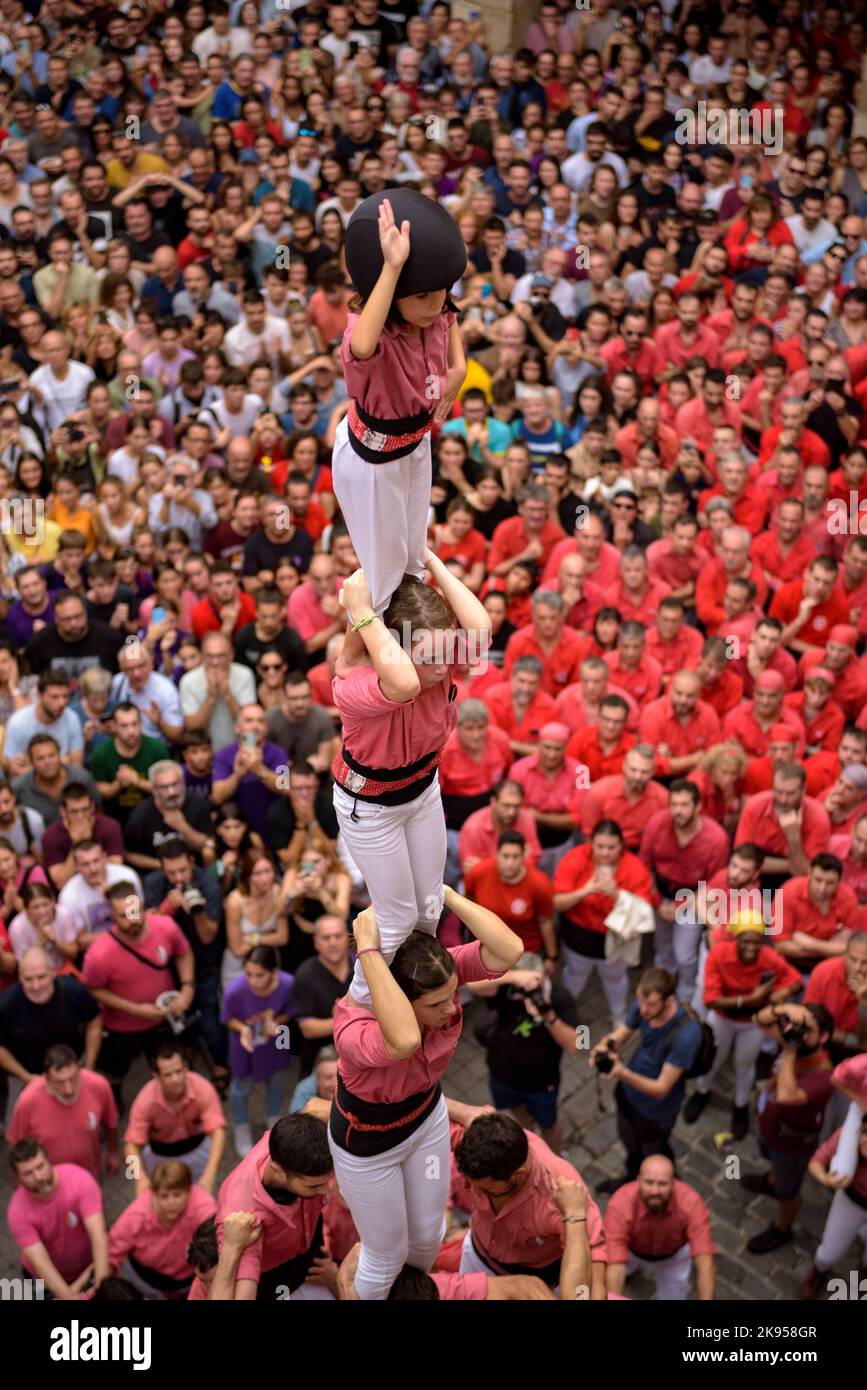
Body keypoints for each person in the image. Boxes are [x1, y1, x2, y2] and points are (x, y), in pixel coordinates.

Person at [329, 889, 521, 1301]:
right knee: (385, 1254)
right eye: (436, 1004)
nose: (451, 1010)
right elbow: (403, 1042)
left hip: (425, 1116)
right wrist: (367, 950)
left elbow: (509, 950)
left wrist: (444, 893)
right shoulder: (353, 1025)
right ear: (400, 999)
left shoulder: (435, 979)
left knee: (430, 1234)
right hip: (369, 1143)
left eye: (452, 994)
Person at [333, 557, 489, 1004]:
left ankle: (415, 994)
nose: (444, 666)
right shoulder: (356, 682)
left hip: (422, 792)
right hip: (373, 810)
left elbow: (480, 627)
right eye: (430, 656)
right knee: (397, 919)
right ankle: (361, 1003)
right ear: (395, 648)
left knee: (429, 911)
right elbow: (402, 683)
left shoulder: (436, 659)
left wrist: (428, 561)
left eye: (446, 650)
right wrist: (362, 612)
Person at [332, 190, 466, 617]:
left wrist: (458, 371)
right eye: (423, 295)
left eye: (441, 292)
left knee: (414, 557)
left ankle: (410, 645)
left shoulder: (437, 309)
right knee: (385, 573)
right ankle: (377, 653)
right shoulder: (374, 330)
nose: (435, 304)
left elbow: (453, 340)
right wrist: (391, 268)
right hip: (374, 459)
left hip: (417, 443)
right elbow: (362, 343)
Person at [451, 1111, 608, 1298]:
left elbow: (581, 1294)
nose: (475, 1194)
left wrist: (574, 1217)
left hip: (538, 1284)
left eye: (486, 1190)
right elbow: (425, 1099)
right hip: (476, 1255)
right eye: (471, 1185)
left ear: (518, 1174)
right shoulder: (487, 1136)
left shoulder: (567, 1200)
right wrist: (463, 1110)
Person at [683, 911, 802, 1140]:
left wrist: (784, 991)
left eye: (756, 941)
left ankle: (740, 1106)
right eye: (745, 941)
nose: (751, 947)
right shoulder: (718, 954)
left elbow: (795, 980)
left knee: (745, 1065)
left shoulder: (769, 957)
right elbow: (710, 999)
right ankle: (701, 1092)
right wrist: (750, 998)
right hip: (722, 1018)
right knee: (712, 1058)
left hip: (753, 1023)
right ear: (735, 939)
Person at [589, 967, 704, 1192]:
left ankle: (660, 1186)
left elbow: (662, 1088)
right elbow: (622, 1032)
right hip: (628, 1095)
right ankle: (631, 1177)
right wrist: (606, 1046)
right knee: (630, 1142)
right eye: (641, 1001)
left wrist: (622, 1073)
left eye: (650, 1005)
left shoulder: (687, 1034)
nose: (643, 1009)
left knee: (652, 1154)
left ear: (669, 1000)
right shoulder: (645, 1005)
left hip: (655, 1112)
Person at [81, 882, 196, 1105]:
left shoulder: (165, 926)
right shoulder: (99, 954)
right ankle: (112, 1102)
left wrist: (187, 988)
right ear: (112, 917)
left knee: (171, 1064)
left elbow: (183, 952)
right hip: (123, 1027)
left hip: (164, 1018)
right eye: (124, 915)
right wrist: (135, 1009)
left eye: (136, 911)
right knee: (114, 1070)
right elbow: (94, 989)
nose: (132, 920)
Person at [740, 1000, 835, 1255]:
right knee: (771, 1160)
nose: (799, 1034)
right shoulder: (795, 1041)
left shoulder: (824, 1076)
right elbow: (758, 1019)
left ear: (824, 1037)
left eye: (808, 1030)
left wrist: (790, 1049)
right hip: (772, 1127)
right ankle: (771, 1180)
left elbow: (786, 1095)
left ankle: (782, 1227)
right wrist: (781, 1010)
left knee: (788, 1190)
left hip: (791, 1144)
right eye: (796, 1026)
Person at [212, 1113, 334, 1301]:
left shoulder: (290, 1136)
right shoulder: (243, 1216)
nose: (327, 1190)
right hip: (275, 1281)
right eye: (314, 1186)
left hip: (312, 1259)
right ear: (278, 1172)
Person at [467, 949, 578, 1153]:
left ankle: (554, 1157)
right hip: (502, 1075)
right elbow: (471, 985)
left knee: (549, 1124)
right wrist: (512, 977)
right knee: (517, 1113)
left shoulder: (561, 997)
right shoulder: (507, 988)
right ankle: (532, 1144)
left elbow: (578, 1044)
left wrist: (548, 1015)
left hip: (542, 1084)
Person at [553, 819, 657, 1023]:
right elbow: (558, 903)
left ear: (621, 846)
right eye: (600, 846)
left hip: (615, 937)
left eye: (611, 847)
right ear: (591, 843)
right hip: (578, 934)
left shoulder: (634, 868)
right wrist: (585, 891)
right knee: (575, 975)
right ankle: (564, 1011)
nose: (605, 853)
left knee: (615, 979)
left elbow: (644, 913)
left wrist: (618, 896)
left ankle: (618, 1014)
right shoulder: (575, 858)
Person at [0, 947, 103, 1125]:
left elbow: (94, 1021)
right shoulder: (5, 1005)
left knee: (86, 1119)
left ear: (53, 973)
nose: (36, 985)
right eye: (28, 979)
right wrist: (27, 1078)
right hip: (27, 1075)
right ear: (19, 977)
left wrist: (88, 1066)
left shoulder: (73, 991)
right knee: (19, 1126)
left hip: (72, 1071)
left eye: (41, 977)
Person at [6, 1139, 110, 1301]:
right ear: (18, 1177)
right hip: (41, 1279)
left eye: (40, 1166)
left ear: (49, 1161)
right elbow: (41, 1262)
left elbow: (98, 1235)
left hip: (86, 1267)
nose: (38, 1177)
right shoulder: (17, 1211)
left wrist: (102, 1289)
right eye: (28, 1173)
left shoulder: (80, 1180)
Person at [603, 1155, 716, 1301]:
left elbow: (705, 1261)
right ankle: (629, 1273)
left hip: (673, 1257)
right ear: (638, 1180)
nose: (654, 1191)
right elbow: (615, 1262)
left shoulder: (691, 1203)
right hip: (631, 1250)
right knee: (618, 1273)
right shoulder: (620, 1203)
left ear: (673, 1183)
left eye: (662, 1184)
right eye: (649, 1182)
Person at [221, 945, 295, 1157]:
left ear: (273, 972)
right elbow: (227, 1019)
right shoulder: (234, 990)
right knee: (240, 1086)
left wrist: (275, 1022)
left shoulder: (288, 983)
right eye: (248, 974)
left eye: (259, 975)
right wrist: (243, 1028)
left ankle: (273, 1117)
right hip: (245, 1042)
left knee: (277, 1079)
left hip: (278, 1037)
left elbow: (290, 1012)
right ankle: (241, 1124)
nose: (253, 981)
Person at [123, 1044, 227, 1193]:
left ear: (186, 1067)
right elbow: (130, 1145)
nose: (175, 1079)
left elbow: (218, 1132)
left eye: (178, 1071)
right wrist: (138, 1178)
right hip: (160, 1156)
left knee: (205, 1199)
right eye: (168, 1075)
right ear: (156, 1076)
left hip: (198, 1149)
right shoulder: (145, 1101)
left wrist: (210, 1174)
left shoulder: (203, 1088)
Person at [108, 1158, 216, 1299]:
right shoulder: (135, 1217)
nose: (171, 1203)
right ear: (153, 1193)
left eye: (177, 1195)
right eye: (164, 1196)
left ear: (189, 1190)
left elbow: (220, 1245)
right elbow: (110, 1255)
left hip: (189, 1280)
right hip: (147, 1281)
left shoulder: (204, 1208)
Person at [7, 1044, 119, 1179]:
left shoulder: (99, 1085)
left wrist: (113, 1151)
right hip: (49, 1179)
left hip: (90, 1172)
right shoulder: (27, 1101)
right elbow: (15, 1144)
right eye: (59, 1082)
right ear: (46, 1079)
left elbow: (111, 1121)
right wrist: (21, 1178)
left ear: (80, 1070)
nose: (68, 1089)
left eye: (73, 1079)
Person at [800, 1113, 867, 1300]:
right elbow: (816, 1162)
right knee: (828, 1254)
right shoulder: (848, 1137)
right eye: (866, 1132)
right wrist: (826, 1179)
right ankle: (819, 1272)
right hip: (851, 1200)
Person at [292, 915, 353, 1075]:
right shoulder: (305, 975)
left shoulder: (364, 966)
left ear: (348, 938)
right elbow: (308, 1029)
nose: (333, 943)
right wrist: (342, 1018)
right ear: (316, 942)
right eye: (326, 938)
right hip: (318, 1062)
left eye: (338, 936)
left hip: (360, 1057)